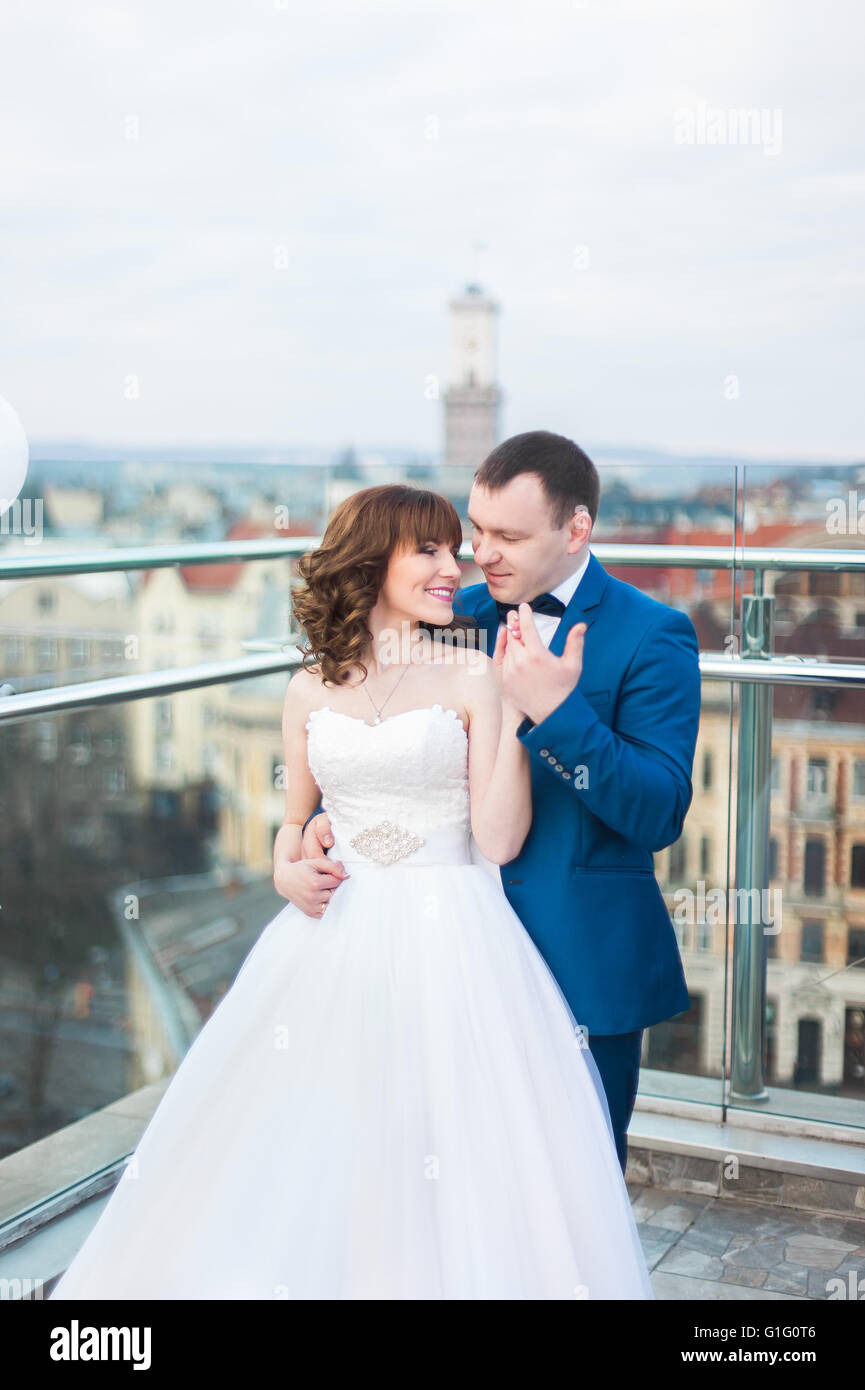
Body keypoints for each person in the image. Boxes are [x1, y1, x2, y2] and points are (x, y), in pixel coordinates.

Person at [49, 480, 652, 1300]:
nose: (456, 566)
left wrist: (519, 714)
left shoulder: (475, 675)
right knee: (330, 1135)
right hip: (335, 933)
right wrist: (283, 862)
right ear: (372, 564)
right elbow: (296, 822)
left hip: (456, 934)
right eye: (431, 550)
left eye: (454, 546)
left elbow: (502, 839)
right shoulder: (307, 690)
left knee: (441, 1147)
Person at [303, 431, 702, 1172]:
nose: (480, 554)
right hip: (436, 952)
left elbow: (658, 813)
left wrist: (559, 716)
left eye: (508, 536)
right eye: (476, 529)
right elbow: (370, 738)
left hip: (578, 955)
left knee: (574, 1186)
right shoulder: (450, 612)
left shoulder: (655, 635)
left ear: (576, 529)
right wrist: (303, 839)